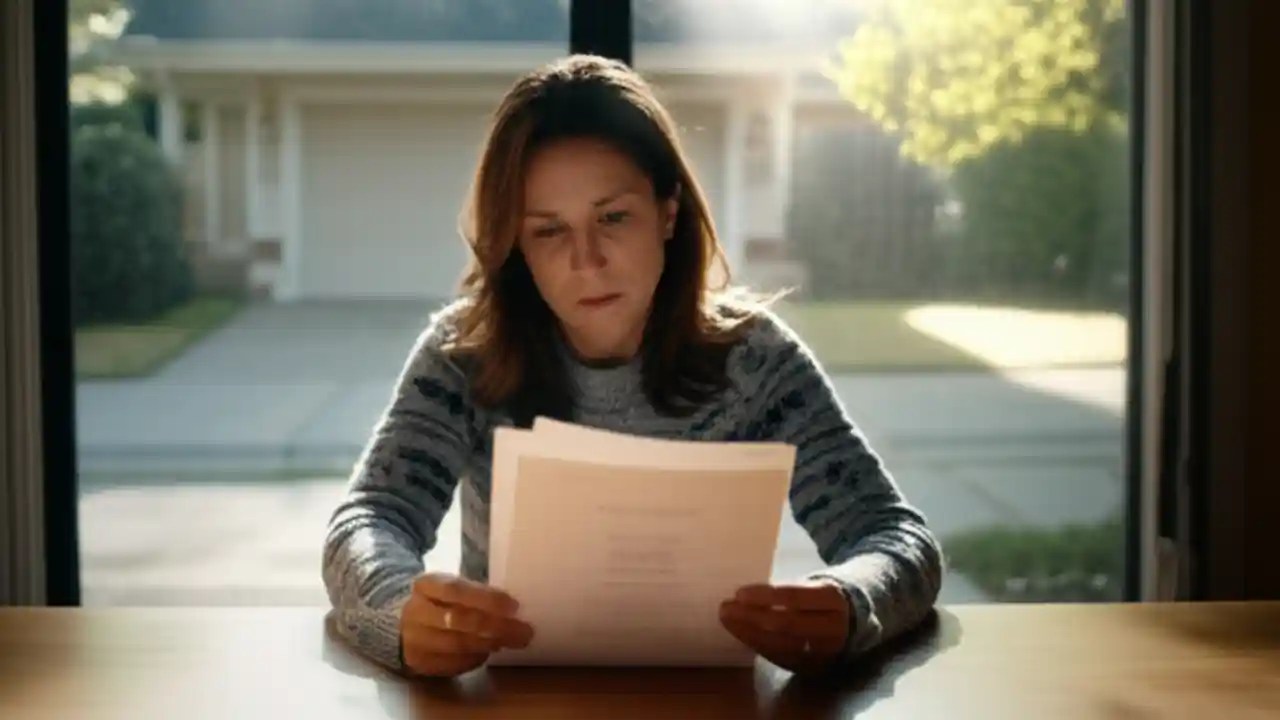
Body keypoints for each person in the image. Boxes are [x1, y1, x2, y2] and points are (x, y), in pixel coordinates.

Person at [323, 54, 942, 679]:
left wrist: (851, 603)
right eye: (549, 231)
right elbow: (369, 519)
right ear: (515, 245)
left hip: (713, 701)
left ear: (667, 213)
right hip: (516, 701)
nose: (587, 260)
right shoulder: (464, 357)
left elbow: (894, 537)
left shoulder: (758, 362)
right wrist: (398, 612)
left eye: (613, 218)